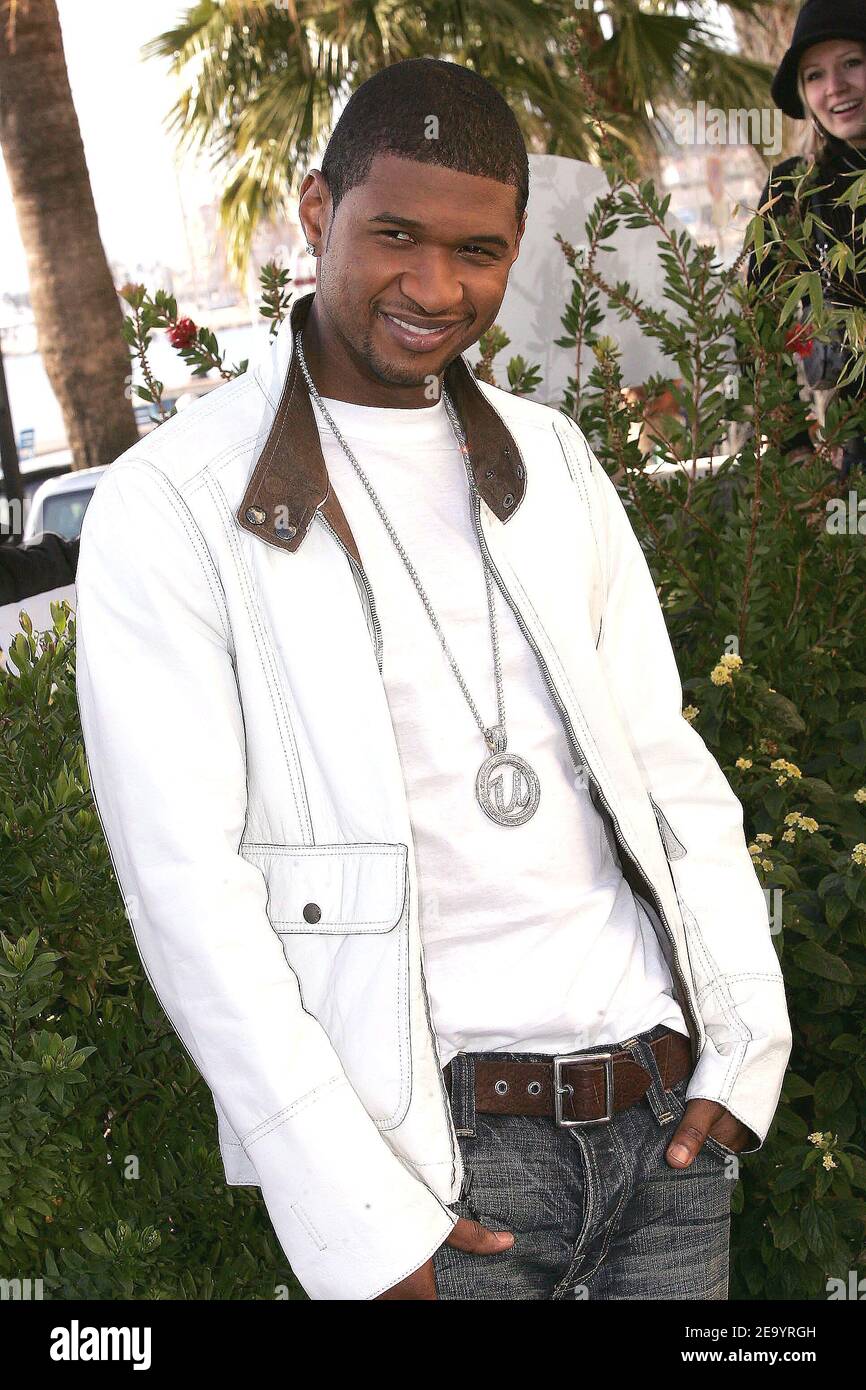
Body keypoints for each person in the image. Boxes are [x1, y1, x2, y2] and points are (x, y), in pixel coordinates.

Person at [74, 58, 792, 1302]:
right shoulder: (174, 504)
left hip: (660, 1118)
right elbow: (188, 898)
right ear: (316, 212)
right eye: (392, 234)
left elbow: (664, 762)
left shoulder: (552, 460)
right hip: (436, 1160)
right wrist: (354, 1213)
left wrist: (741, 1043)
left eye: (478, 251)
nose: (432, 286)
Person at [747, 0, 866, 478]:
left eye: (852, 64)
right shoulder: (792, 191)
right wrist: (792, 446)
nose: (835, 87)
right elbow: (760, 330)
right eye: (815, 75)